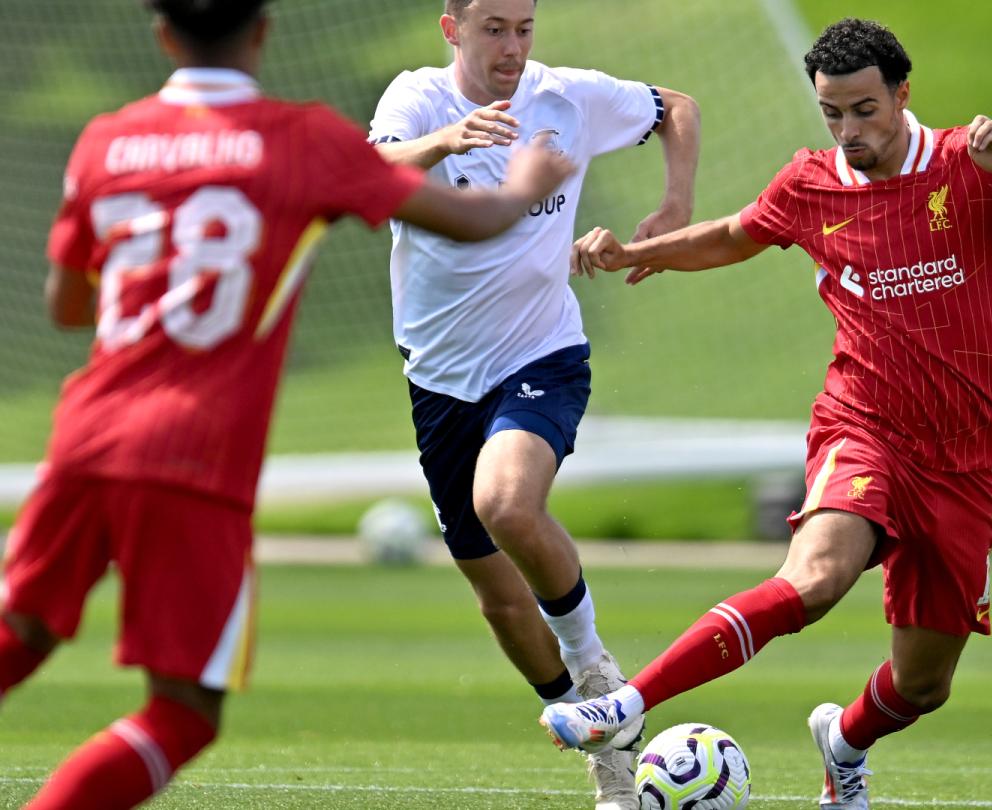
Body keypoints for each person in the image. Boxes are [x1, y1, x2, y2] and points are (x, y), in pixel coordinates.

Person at [0, 1, 574, 807]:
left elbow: (66, 303)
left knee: (17, 636)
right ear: (263, 30)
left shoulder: (107, 138)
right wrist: (526, 187)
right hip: (192, 455)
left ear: (163, 35)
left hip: (85, 432)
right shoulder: (299, 139)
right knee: (184, 712)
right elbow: (469, 219)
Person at [542, 17, 992, 809]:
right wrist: (635, 255)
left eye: (864, 111)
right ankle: (625, 705)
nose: (848, 131)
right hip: (862, 428)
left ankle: (845, 742)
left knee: (923, 685)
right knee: (812, 581)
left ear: (902, 95)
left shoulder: (970, 163)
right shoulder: (812, 183)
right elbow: (736, 235)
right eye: (832, 113)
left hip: (960, 461)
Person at [365, 1, 700, 806]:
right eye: (493, 30)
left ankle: (598, 672)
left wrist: (675, 206)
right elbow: (373, 180)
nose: (512, 48)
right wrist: (445, 141)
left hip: (541, 352)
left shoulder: (568, 98)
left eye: (524, 27)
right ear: (453, 29)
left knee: (507, 503)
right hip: (440, 380)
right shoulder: (416, 101)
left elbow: (676, 109)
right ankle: (596, 729)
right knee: (501, 603)